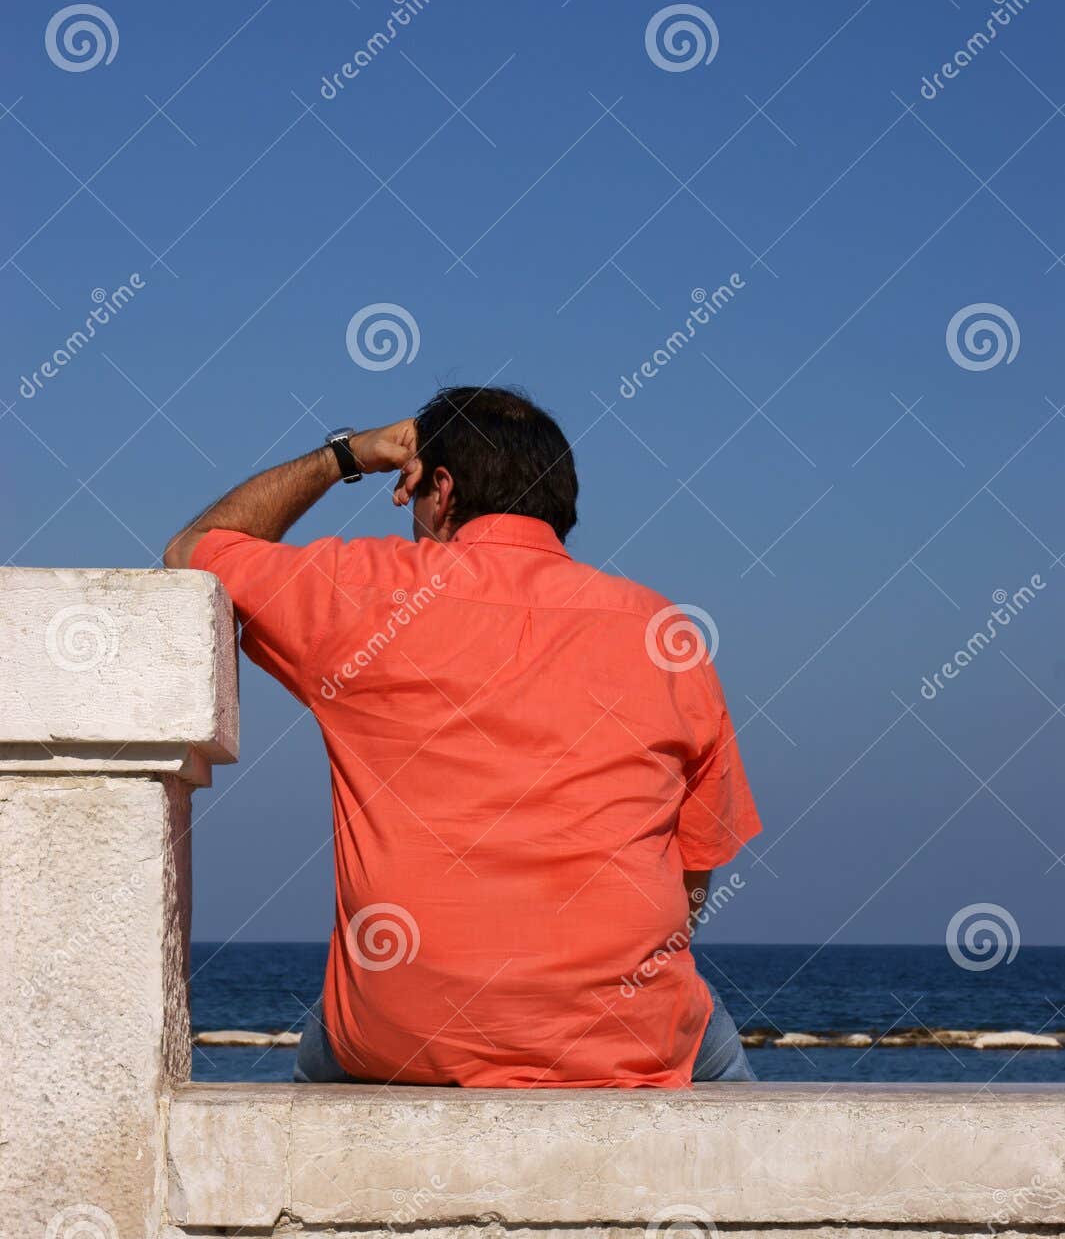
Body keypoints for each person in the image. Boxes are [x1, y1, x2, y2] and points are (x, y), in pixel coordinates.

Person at [164, 386, 760, 1086]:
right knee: (736, 1093)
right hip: (627, 1033)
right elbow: (695, 865)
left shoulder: (366, 592)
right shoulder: (664, 633)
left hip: (402, 1032)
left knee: (318, 1068)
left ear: (441, 490)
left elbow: (192, 552)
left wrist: (346, 456)